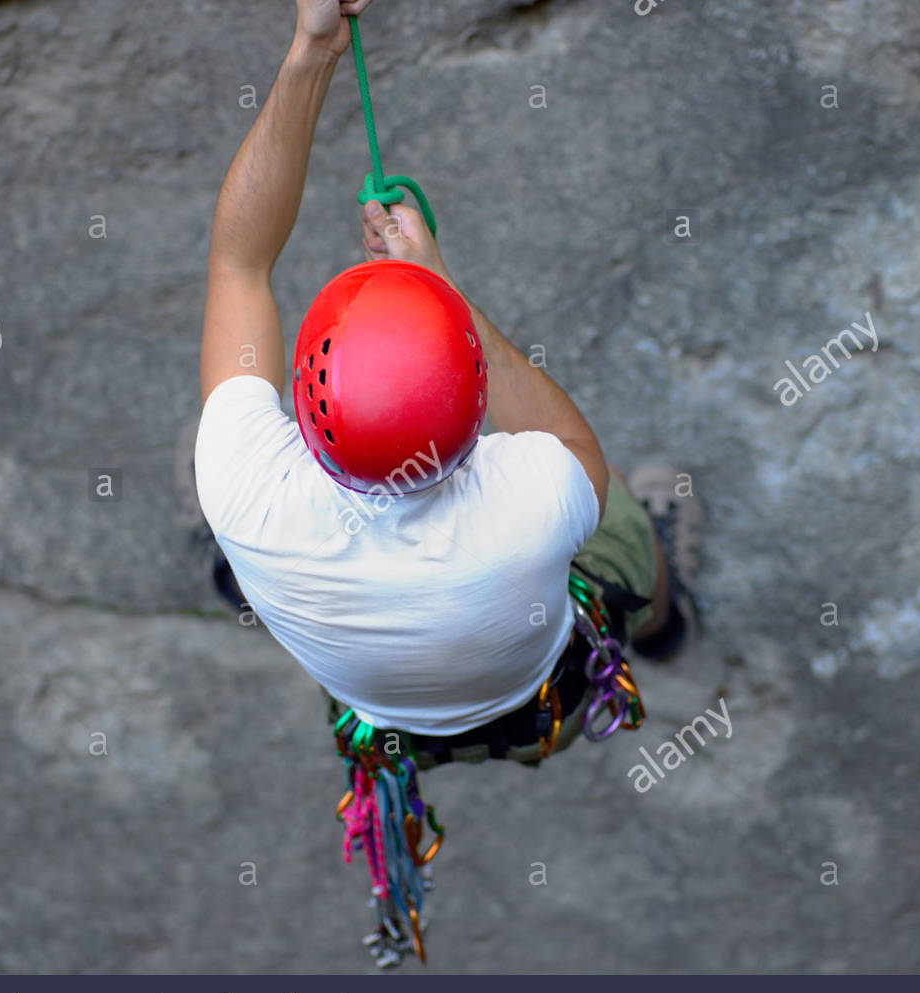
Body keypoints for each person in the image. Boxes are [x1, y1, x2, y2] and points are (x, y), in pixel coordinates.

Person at [192, 0, 702, 770]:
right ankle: (666, 623)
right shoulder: (529, 500)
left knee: (231, 491)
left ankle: (256, 581)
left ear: (306, 402)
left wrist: (311, 50)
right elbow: (571, 445)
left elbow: (239, 262)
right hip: (549, 700)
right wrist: (441, 289)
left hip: (388, 731)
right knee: (617, 507)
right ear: (475, 422)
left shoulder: (244, 487)